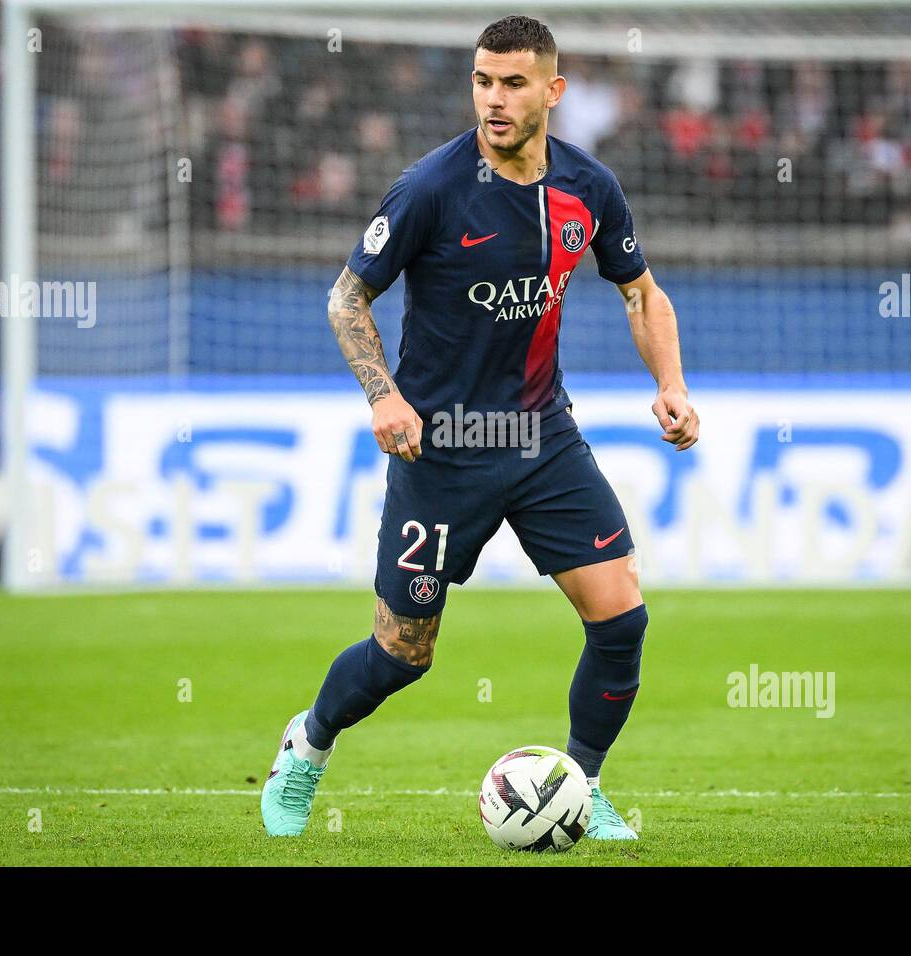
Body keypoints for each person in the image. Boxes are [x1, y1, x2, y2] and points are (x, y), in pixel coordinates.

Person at [261, 15, 697, 841]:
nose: (493, 100)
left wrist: (670, 384)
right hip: (442, 450)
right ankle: (308, 744)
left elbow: (640, 291)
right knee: (400, 657)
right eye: (482, 81)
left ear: (553, 91)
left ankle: (583, 785)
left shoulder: (590, 189)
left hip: (541, 439)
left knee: (622, 617)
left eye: (513, 83)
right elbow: (346, 298)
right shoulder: (429, 189)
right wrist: (383, 397)